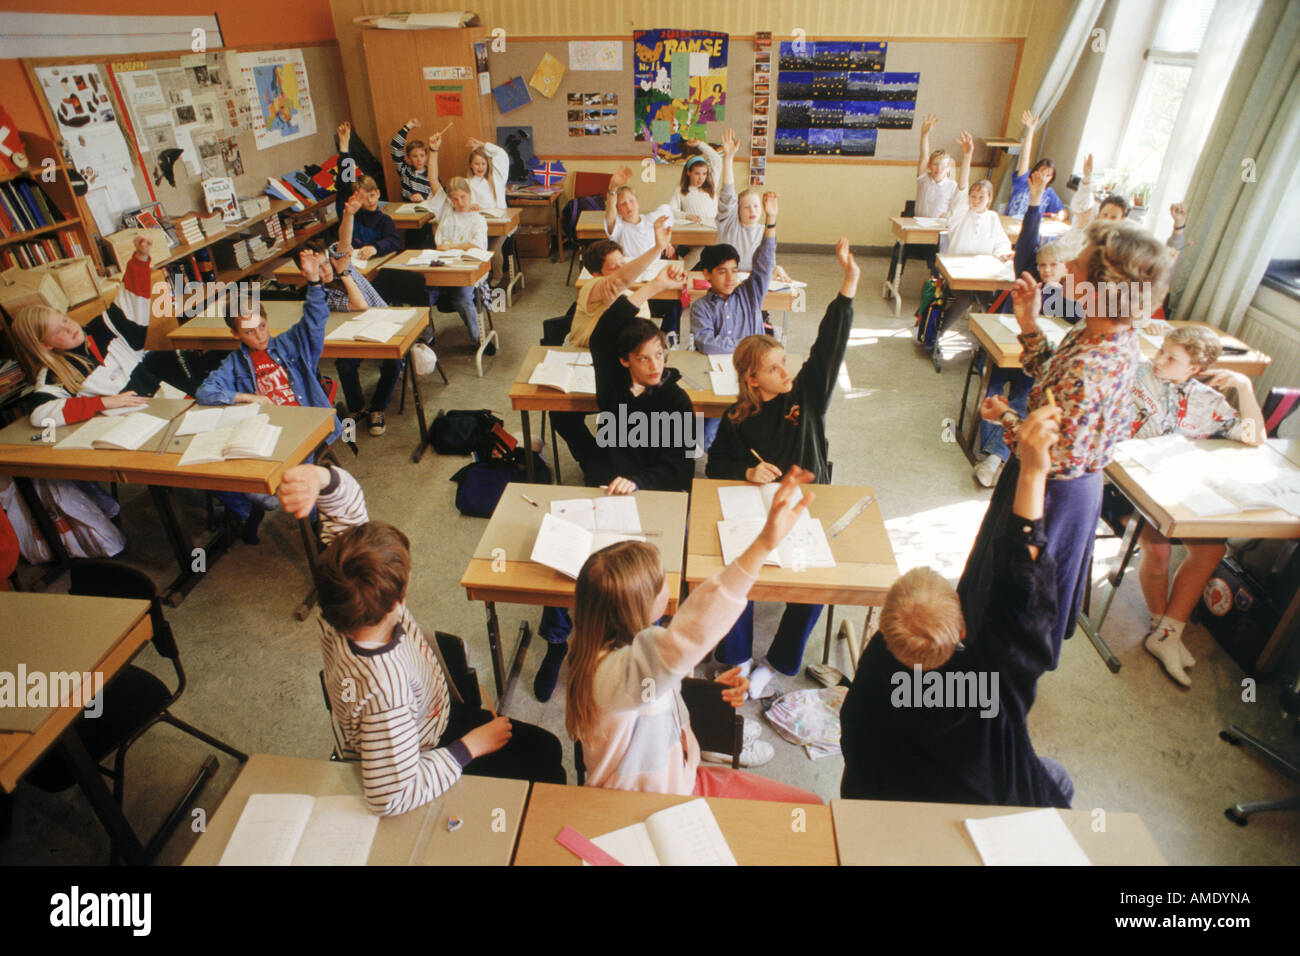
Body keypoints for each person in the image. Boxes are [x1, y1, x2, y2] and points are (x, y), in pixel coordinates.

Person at [277, 463, 565, 816]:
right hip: (426, 746)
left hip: (428, 715)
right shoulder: (387, 692)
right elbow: (391, 797)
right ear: (400, 597)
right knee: (545, 758)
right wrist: (468, 747)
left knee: (547, 751)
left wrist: (320, 477)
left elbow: (346, 507)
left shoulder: (340, 593)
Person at [961, 219, 1176, 663]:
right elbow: (1051, 378)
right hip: (1059, 482)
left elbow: (1050, 453)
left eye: (1075, 266)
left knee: (1017, 597)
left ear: (1102, 287)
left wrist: (1006, 416)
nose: (1066, 269)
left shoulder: (1093, 360)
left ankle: (989, 690)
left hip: (1052, 493)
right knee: (1004, 587)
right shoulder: (1102, 332)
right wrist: (1027, 321)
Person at [840, 406, 1075, 808]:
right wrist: (1034, 472)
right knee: (1057, 777)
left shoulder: (878, 664)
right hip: (975, 807)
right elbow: (1021, 601)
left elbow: (1021, 606)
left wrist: (1031, 471)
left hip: (883, 802)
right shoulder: (989, 686)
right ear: (963, 629)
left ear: (883, 626)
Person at [565, 465, 823, 802]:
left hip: (682, 768)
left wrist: (712, 692)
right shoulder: (612, 673)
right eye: (662, 583)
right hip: (651, 800)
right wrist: (762, 546)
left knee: (810, 805)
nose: (670, 584)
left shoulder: (616, 654)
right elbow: (685, 639)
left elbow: (656, 687)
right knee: (807, 807)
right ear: (638, 606)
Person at [704, 238, 859, 701]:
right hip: (756, 510)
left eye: (783, 362)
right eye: (773, 369)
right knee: (736, 571)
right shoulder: (737, 416)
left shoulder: (806, 396)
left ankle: (777, 663)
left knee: (816, 586)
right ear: (752, 380)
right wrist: (746, 473)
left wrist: (848, 286)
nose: (784, 372)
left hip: (807, 506)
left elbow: (828, 347)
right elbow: (717, 466)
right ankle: (736, 658)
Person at [533, 262, 694, 703]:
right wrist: (656, 285)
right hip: (607, 492)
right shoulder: (614, 387)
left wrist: (636, 481)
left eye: (659, 355)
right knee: (567, 566)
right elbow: (605, 330)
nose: (654, 366)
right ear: (624, 361)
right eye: (643, 358)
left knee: (643, 580)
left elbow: (680, 470)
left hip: (653, 496)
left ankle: (643, 651)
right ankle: (555, 643)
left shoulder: (676, 401)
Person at [1129, 326, 1265, 687]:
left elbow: (1254, 436)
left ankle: (1165, 634)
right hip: (1128, 485)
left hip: (1176, 486)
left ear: (1194, 369)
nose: (1159, 360)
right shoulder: (1136, 376)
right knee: (1157, 547)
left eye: (1171, 358)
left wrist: (1244, 387)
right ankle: (1167, 635)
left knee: (1211, 551)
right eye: (1161, 351)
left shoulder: (1206, 400)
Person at [195, 253, 343, 541]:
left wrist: (313, 281)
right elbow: (205, 392)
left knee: (301, 475)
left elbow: (315, 318)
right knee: (212, 468)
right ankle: (249, 509)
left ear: (266, 320)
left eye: (262, 326)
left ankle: (318, 532)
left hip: (303, 424)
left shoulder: (290, 342)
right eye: (249, 332)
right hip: (264, 429)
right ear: (235, 334)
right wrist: (245, 397)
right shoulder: (235, 364)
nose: (259, 336)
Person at [972, 167, 1086, 488]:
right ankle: (998, 451)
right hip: (1002, 347)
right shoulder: (1031, 277)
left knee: (1025, 394)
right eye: (1043, 265)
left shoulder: (1072, 299)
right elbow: (1028, 240)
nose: (1047, 270)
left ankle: (995, 457)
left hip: (1032, 361)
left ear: (1067, 269)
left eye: (1054, 266)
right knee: (993, 389)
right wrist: (1035, 200)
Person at [691, 191, 778, 449]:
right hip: (717, 381)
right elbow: (706, 342)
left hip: (751, 382)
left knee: (759, 435)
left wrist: (771, 220)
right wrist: (746, 347)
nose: (730, 279)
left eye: (734, 271)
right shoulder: (701, 308)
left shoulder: (749, 294)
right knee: (705, 439)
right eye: (721, 272)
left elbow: (763, 264)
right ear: (706, 274)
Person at [311, 192, 400, 438]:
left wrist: (349, 214)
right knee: (345, 364)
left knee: (394, 361)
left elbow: (343, 240)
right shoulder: (321, 293)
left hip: (383, 320)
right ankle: (357, 408)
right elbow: (357, 305)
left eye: (326, 264)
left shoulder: (340, 262)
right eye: (318, 270)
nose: (325, 271)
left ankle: (378, 408)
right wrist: (343, 274)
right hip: (355, 330)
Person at [931, 130, 1013, 370]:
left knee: (994, 301)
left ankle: (984, 346)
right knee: (964, 298)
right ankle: (939, 335)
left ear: (989, 199)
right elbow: (961, 189)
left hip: (983, 275)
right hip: (958, 274)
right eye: (973, 195)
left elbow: (1000, 243)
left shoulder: (992, 218)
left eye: (981, 196)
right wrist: (967, 156)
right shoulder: (960, 214)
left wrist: (1004, 253)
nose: (975, 199)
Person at [602, 165, 681, 334]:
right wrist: (612, 190)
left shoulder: (651, 220)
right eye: (622, 204)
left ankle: (668, 334)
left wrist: (667, 242)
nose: (628, 206)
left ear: (638, 203)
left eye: (631, 201)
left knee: (677, 299)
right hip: (631, 283)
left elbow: (666, 216)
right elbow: (609, 218)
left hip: (654, 278)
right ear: (618, 210)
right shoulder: (619, 227)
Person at [716, 128, 793, 280]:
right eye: (746, 207)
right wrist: (729, 158)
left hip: (751, 284)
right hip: (727, 281)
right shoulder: (729, 223)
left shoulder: (764, 232)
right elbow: (727, 192)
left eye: (756, 206)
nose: (752, 210)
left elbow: (768, 265)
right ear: (737, 210)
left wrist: (777, 270)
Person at [434, 177, 491, 351]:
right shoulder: (448, 217)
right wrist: (446, 246)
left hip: (469, 270)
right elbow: (440, 242)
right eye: (455, 199)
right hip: (447, 268)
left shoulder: (477, 219)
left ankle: (477, 338)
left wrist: (451, 246)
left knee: (462, 296)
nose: (459, 202)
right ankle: (426, 337)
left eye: (463, 197)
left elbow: (477, 245)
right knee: (425, 295)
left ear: (470, 195)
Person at [1004, 110, 1067, 220]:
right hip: (1011, 224)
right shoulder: (1023, 182)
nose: (1043, 177)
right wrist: (1030, 130)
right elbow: (1024, 158)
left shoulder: (1049, 193)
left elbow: (1063, 211)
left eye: (1048, 175)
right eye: (1042, 172)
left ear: (1051, 179)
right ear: (1034, 172)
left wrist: (1060, 216)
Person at [464, 136, 510, 283]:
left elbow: (501, 154)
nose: (480, 167)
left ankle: (497, 276)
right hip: (477, 225)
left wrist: (483, 145)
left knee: (493, 248)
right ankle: (477, 278)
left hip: (498, 225)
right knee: (472, 247)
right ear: (470, 165)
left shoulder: (496, 180)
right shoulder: (466, 183)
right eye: (476, 163)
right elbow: (459, 204)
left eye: (483, 163)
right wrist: (469, 206)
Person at [346, 175, 402, 261]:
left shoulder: (384, 220)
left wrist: (375, 248)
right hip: (358, 262)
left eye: (372, 195)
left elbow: (394, 241)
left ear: (378, 194)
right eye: (364, 198)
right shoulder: (353, 219)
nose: (370, 201)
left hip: (379, 261)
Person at [914, 112, 957, 218]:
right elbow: (924, 155)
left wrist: (948, 215)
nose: (939, 169)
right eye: (935, 165)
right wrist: (925, 134)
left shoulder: (952, 186)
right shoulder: (923, 179)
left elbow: (956, 209)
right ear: (929, 166)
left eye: (943, 166)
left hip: (938, 227)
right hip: (918, 224)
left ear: (948, 168)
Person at [390, 117, 437, 202]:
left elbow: (439, 199)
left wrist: (423, 199)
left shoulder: (432, 175)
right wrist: (408, 126)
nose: (419, 159)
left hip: (427, 211)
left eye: (422, 156)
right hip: (408, 212)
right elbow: (395, 146)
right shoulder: (404, 170)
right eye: (415, 156)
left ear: (426, 156)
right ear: (409, 157)